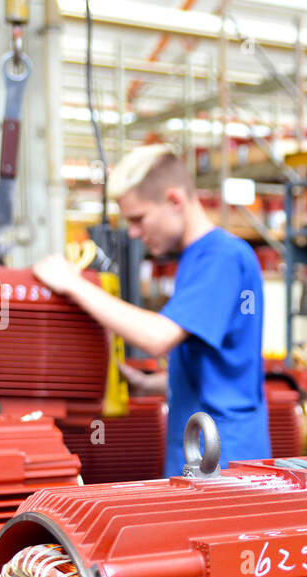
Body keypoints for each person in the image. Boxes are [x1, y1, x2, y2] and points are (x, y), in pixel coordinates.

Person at [32, 143, 270, 473]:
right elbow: (223, 370)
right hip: (202, 449)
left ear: (174, 200)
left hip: (223, 459)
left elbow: (158, 336)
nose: (133, 232)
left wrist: (74, 284)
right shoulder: (196, 258)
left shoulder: (221, 256)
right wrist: (150, 385)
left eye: (138, 218)